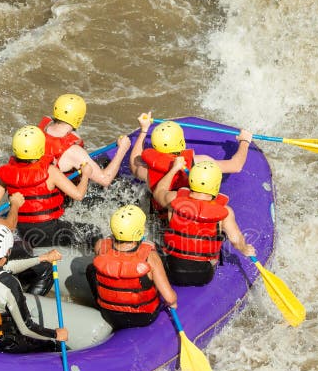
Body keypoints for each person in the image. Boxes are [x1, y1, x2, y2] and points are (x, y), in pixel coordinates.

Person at [0, 224, 68, 353]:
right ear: (8, 251)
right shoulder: (10, 284)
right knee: (53, 346)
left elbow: (6, 267)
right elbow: (26, 329)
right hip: (0, 343)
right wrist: (55, 334)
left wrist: (42, 258)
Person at [0, 125, 102, 249]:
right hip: (50, 230)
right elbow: (79, 195)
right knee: (94, 231)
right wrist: (85, 174)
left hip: (22, 231)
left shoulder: (7, 172)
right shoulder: (50, 171)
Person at [129, 112, 253, 218]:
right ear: (181, 142)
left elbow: (134, 165)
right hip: (191, 214)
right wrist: (245, 141)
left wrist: (144, 130)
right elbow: (236, 166)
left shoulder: (147, 170)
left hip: (162, 217)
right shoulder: (199, 163)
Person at [152, 158, 255, 286]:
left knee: (150, 244)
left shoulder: (173, 199)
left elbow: (158, 192)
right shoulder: (225, 212)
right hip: (205, 275)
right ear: (216, 185)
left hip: (171, 271)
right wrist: (245, 249)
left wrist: (174, 168)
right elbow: (235, 240)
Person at [85, 205, 177, 330]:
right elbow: (170, 299)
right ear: (139, 231)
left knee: (91, 268)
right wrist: (173, 302)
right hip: (143, 317)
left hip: (109, 314)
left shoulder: (100, 246)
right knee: (154, 271)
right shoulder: (150, 256)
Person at [38, 93, 131, 186]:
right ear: (79, 119)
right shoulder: (73, 151)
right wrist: (122, 149)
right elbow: (105, 180)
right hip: (62, 196)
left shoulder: (44, 124)